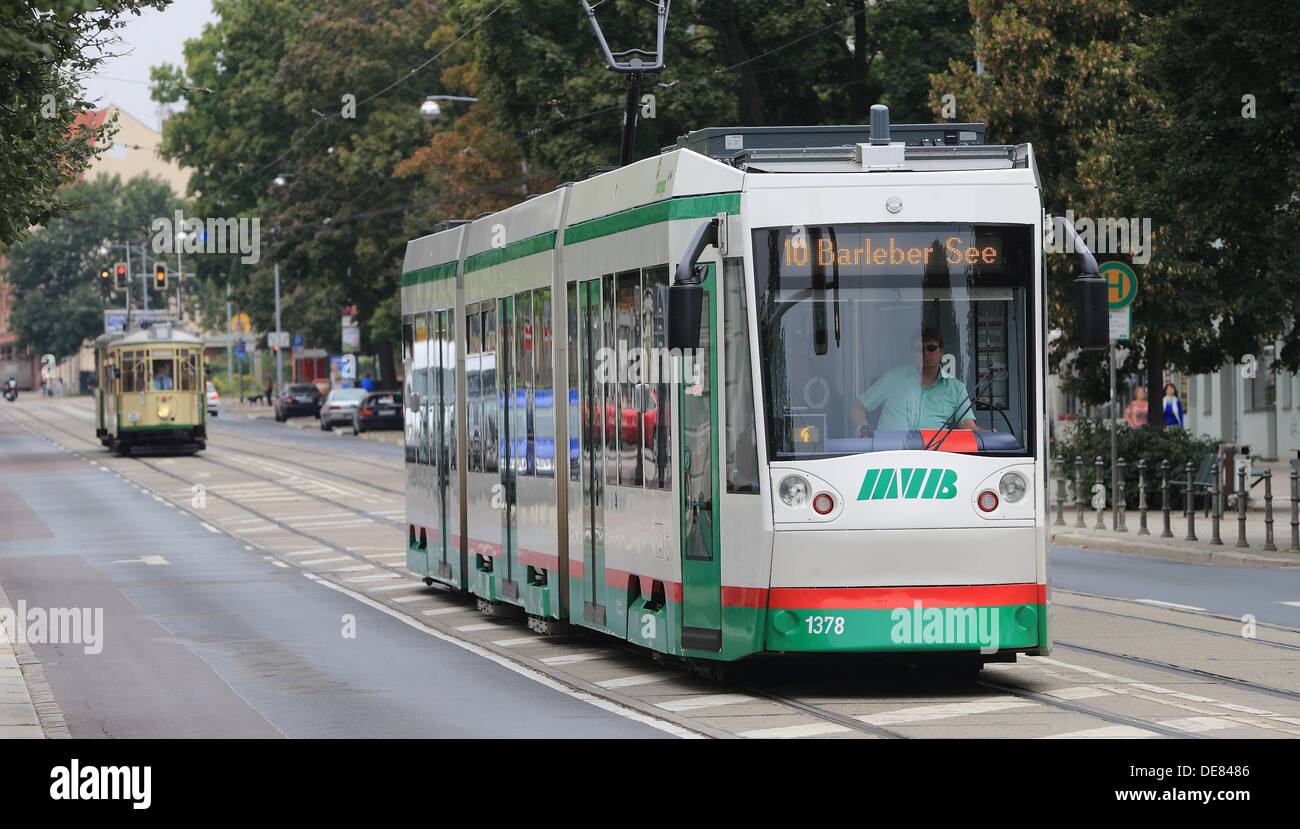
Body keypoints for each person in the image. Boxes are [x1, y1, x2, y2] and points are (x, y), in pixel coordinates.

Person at [850, 327, 984, 435]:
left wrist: (987, 434)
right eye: (919, 349)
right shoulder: (892, 378)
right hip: (890, 456)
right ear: (911, 354)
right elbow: (858, 405)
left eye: (931, 348)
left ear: (941, 351)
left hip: (937, 459)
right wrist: (863, 426)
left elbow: (968, 427)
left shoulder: (957, 388)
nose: (925, 353)